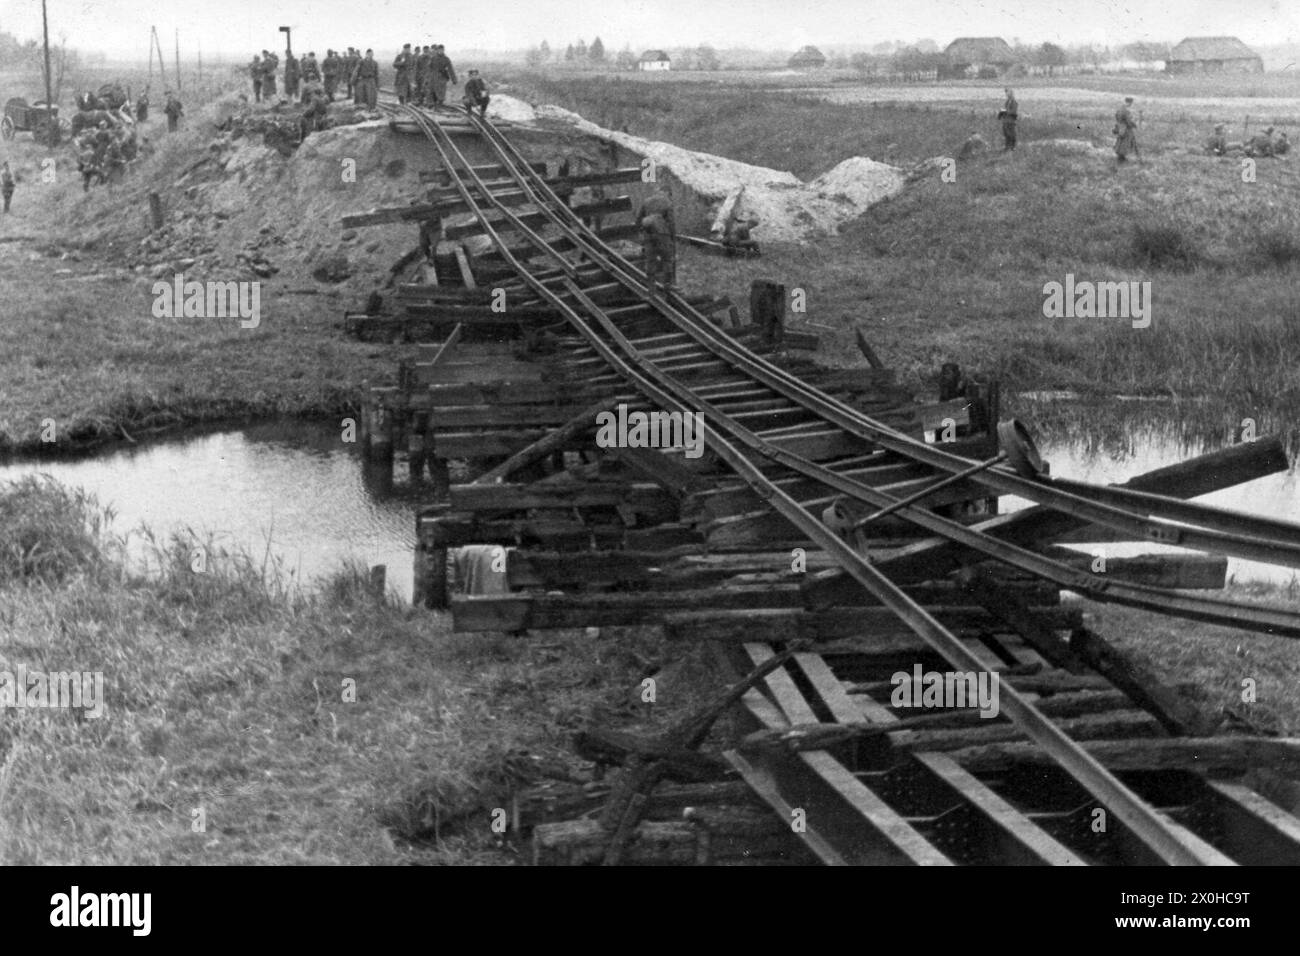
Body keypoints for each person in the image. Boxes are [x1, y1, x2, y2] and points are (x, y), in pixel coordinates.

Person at [637, 186, 676, 296]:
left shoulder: (646, 201)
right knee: (667, 259)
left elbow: (638, 220)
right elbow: (671, 224)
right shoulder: (668, 203)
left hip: (649, 236)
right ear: (667, 193)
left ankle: (651, 289)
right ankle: (667, 286)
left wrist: (642, 234)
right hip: (663, 236)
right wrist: (672, 239)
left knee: (650, 261)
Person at [1114, 96, 1138, 165]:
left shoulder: (1120, 109)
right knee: (1125, 143)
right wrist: (1134, 125)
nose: (1131, 105)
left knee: (1120, 142)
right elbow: (1128, 121)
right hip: (1126, 129)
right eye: (1131, 103)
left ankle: (1120, 157)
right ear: (1129, 103)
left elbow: (1117, 117)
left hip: (1121, 128)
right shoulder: (1126, 111)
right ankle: (1122, 158)